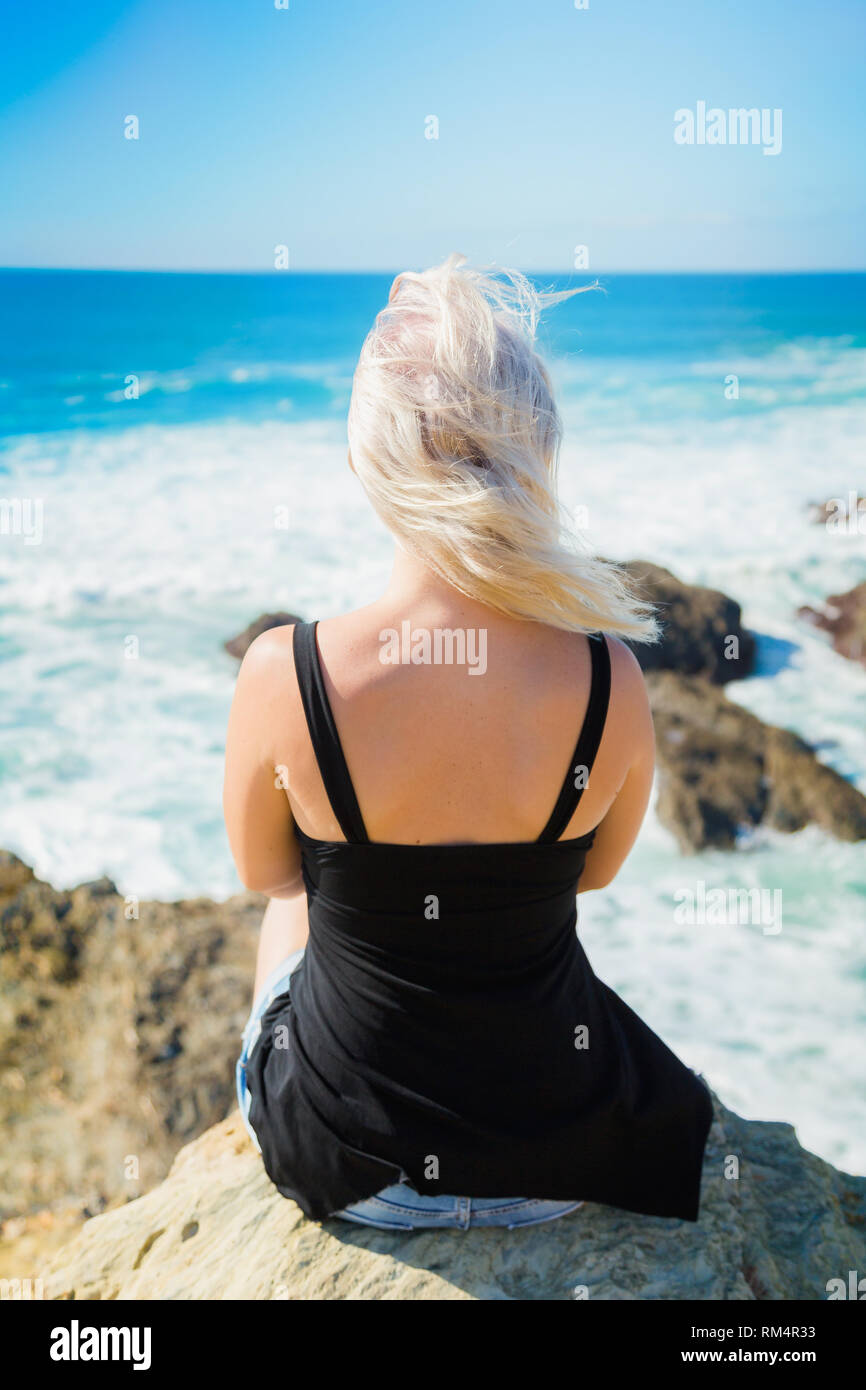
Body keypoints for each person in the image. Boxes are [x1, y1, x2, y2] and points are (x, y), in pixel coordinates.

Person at [224, 255, 713, 1231]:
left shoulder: (290, 671)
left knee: (294, 908)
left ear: (369, 460)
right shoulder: (607, 674)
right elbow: (593, 873)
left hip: (353, 1161)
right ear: (537, 453)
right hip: (557, 1151)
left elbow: (264, 871)